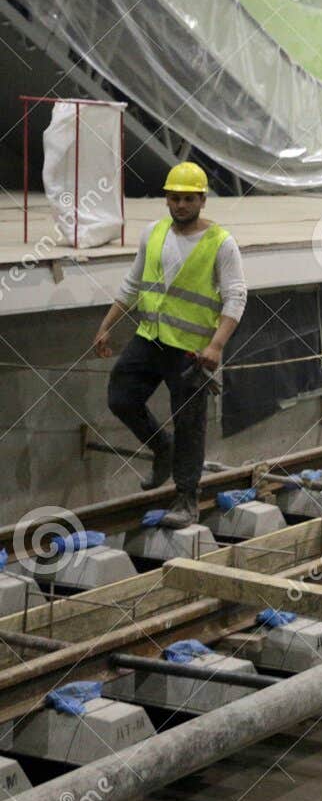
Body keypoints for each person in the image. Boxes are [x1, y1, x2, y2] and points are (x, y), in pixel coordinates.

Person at [92, 162, 246, 528]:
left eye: (187, 199)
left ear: (202, 201)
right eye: (174, 198)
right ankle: (163, 448)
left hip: (192, 352)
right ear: (167, 199)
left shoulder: (221, 244)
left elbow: (236, 298)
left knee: (190, 424)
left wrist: (217, 346)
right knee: (121, 398)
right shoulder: (154, 233)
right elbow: (132, 283)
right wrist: (106, 326)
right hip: (150, 339)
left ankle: (186, 499)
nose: (180, 205)